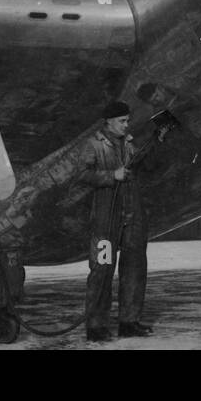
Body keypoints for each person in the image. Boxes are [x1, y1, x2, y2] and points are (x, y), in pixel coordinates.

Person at [77, 100, 152, 342]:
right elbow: (82, 175)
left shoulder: (130, 144)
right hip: (106, 218)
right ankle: (96, 326)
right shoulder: (93, 145)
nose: (126, 125)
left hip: (132, 216)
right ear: (109, 121)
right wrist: (112, 175)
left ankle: (129, 322)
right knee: (101, 271)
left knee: (134, 269)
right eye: (122, 121)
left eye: (127, 120)